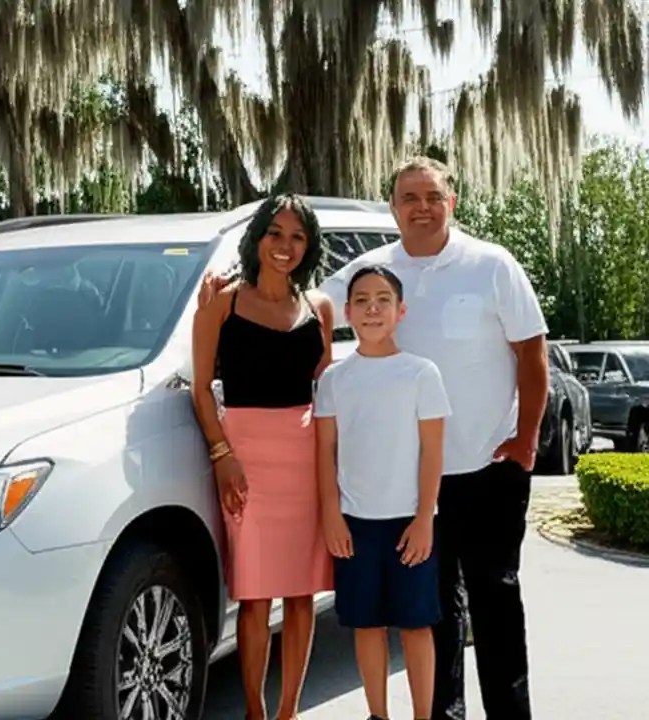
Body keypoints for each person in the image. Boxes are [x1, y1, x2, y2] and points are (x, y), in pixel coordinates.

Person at [201, 157, 547, 718]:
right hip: (409, 488)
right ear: (393, 208)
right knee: (433, 612)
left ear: (451, 202)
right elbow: (293, 297)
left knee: (496, 601)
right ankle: (441, 712)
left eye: (432, 196)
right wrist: (221, 288)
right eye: (409, 197)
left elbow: (532, 353)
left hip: (487, 468)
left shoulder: (492, 265)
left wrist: (526, 440)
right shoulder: (371, 271)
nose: (422, 207)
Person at [191, 192, 336, 720]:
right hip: (244, 457)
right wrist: (221, 452)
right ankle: (255, 711)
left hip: (304, 457)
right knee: (255, 595)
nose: (285, 245)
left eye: (298, 236)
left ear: (309, 245)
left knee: (301, 594)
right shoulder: (221, 301)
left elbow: (330, 388)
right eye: (275, 233)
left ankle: (287, 712)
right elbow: (202, 388)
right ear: (257, 237)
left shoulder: (319, 307)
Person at [314, 265, 451, 720]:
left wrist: (424, 518)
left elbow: (433, 451)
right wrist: (332, 515)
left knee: (415, 625)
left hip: (410, 524)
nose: (373, 308)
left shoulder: (421, 374)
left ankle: (423, 714)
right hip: (355, 524)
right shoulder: (334, 379)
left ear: (401, 310)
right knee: (366, 623)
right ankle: (378, 713)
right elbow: (325, 453)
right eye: (362, 301)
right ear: (348, 312)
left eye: (383, 300)